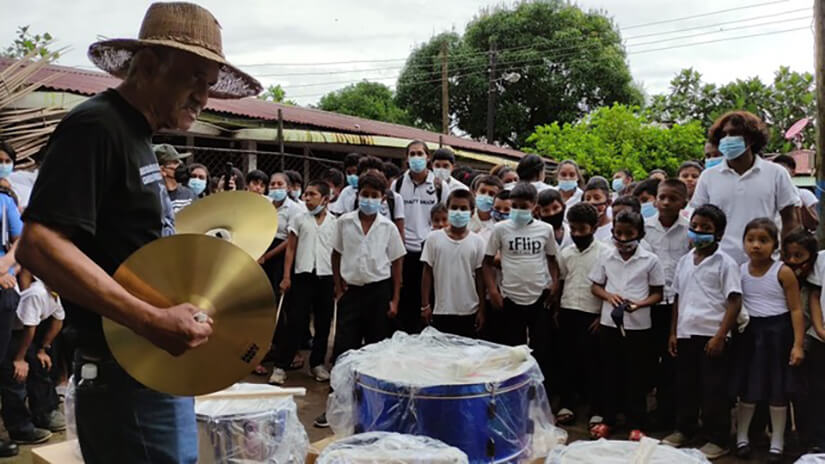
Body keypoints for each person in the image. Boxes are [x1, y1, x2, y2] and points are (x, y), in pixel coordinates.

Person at [17, 3, 260, 461]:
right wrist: (150, 320)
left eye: (209, 85)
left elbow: (125, 243)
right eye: (194, 79)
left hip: (153, 365)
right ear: (148, 65)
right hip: (123, 372)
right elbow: (40, 244)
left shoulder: (138, 135)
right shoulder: (97, 126)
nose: (203, 98)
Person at [662, 204, 741, 459]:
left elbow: (734, 301)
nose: (698, 232)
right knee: (686, 386)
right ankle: (685, 429)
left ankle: (717, 437)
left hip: (712, 335)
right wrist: (673, 332)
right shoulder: (685, 261)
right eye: (694, 227)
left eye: (706, 228)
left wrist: (720, 336)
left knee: (714, 390)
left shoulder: (725, 263)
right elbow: (677, 298)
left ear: (718, 233)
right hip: (686, 333)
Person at [732, 218, 804, 462]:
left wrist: (796, 344)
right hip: (751, 334)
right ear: (743, 243)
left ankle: (778, 440)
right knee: (748, 387)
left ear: (775, 244)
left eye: (763, 240)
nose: (756, 245)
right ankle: (741, 436)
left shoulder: (782, 272)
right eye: (750, 240)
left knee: (778, 388)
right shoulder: (740, 270)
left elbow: (796, 309)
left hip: (778, 334)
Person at [589, 210, 664, 440]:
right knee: (610, 372)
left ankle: (636, 423)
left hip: (638, 325)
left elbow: (658, 293)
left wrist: (640, 304)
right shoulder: (606, 256)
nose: (623, 239)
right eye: (618, 234)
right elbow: (595, 286)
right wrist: (609, 296)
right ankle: (609, 419)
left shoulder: (650, 260)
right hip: (609, 322)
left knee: (636, 375)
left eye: (629, 234)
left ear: (640, 234)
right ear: (612, 233)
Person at [691, 111, 800, 265]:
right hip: (719, 264)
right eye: (724, 135)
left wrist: (785, 258)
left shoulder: (776, 173)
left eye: (734, 133)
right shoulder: (708, 176)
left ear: (751, 138)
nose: (728, 139)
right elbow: (698, 222)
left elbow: (790, 220)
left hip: (765, 265)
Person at [483, 182, 559, 386]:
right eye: (514, 206)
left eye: (523, 206)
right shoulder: (500, 229)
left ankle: (541, 391)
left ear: (534, 206)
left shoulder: (545, 229)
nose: (518, 210)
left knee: (541, 348)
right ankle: (513, 389)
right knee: (513, 350)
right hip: (510, 297)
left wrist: (554, 284)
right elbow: (487, 262)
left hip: (539, 296)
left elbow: (552, 259)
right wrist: (493, 290)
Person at [272, 181, 336, 385]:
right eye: (306, 194)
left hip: (326, 277)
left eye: (312, 194)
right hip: (302, 276)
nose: (307, 198)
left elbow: (337, 253)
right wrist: (286, 276)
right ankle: (281, 366)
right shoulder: (299, 219)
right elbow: (290, 248)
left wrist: (339, 281)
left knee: (323, 323)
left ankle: (317, 364)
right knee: (295, 322)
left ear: (325, 199)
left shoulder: (335, 222)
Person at [642, 178, 690, 432]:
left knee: (673, 361)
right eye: (662, 197)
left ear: (684, 202)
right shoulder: (645, 228)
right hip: (650, 302)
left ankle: (668, 414)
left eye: (673, 198)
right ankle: (646, 413)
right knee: (648, 358)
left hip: (678, 304)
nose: (666, 202)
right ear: (655, 199)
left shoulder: (690, 229)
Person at [555, 202, 608, 428]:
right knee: (567, 360)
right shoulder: (566, 253)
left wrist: (602, 317)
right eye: (573, 229)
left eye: (582, 230)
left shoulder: (606, 253)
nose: (577, 234)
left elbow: (610, 285)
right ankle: (567, 404)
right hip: (568, 311)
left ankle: (597, 408)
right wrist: (557, 310)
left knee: (594, 362)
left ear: (594, 228)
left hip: (592, 314)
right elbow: (561, 281)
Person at [0, 278, 67, 445]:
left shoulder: (56, 293)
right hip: (13, 333)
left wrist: (43, 349)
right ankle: (20, 428)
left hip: (26, 335)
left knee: (40, 365)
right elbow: (28, 328)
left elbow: (58, 320)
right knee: (15, 377)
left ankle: (43, 414)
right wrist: (19, 359)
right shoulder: (37, 293)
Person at [392, 141, 448, 334]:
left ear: (428, 157)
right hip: (404, 250)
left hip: (429, 250)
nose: (416, 158)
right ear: (407, 158)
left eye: (420, 153)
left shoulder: (440, 186)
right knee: (405, 298)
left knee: (426, 299)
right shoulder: (398, 184)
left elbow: (445, 217)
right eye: (412, 154)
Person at [258, 172, 305, 378]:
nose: (275, 187)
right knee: (264, 302)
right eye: (273, 183)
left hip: (279, 255)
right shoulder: (264, 205)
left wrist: (268, 256)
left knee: (281, 304)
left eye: (280, 184)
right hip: (262, 250)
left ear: (287, 187)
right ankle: (268, 346)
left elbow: (290, 240)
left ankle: (287, 350)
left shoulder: (295, 208)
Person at [421, 190, 486, 338]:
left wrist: (482, 309)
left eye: (463, 209)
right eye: (454, 208)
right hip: (441, 310)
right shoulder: (433, 238)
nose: (458, 212)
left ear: (471, 212)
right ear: (448, 210)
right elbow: (427, 272)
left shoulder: (478, 242)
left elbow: (480, 278)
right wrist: (425, 305)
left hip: (469, 310)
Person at [782, 229, 819, 452]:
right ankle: (784, 435)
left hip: (808, 344)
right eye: (789, 256)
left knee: (808, 393)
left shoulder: (814, 285)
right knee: (784, 391)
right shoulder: (782, 279)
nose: (793, 262)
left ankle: (809, 438)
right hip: (782, 342)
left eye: (799, 256)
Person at [330, 156, 404, 240]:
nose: (371, 177)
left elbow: (400, 230)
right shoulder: (350, 196)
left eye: (374, 196)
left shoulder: (394, 199)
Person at [807, 237, 825, 453]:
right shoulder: (821, 259)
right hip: (821, 338)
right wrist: (819, 329)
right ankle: (820, 440)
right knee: (819, 391)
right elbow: (814, 295)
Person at [773, 154, 818, 231]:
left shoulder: (804, 194)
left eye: (783, 171)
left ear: (793, 172)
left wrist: (799, 201)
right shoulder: (768, 196)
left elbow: (813, 224)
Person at [154, 144, 196, 214]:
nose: (180, 164)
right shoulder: (154, 198)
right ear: (162, 170)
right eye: (175, 162)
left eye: (180, 161)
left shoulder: (189, 195)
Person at [583, 177, 613, 243]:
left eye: (597, 198)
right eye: (588, 199)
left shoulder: (614, 228)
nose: (591, 202)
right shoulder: (580, 229)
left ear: (608, 202)